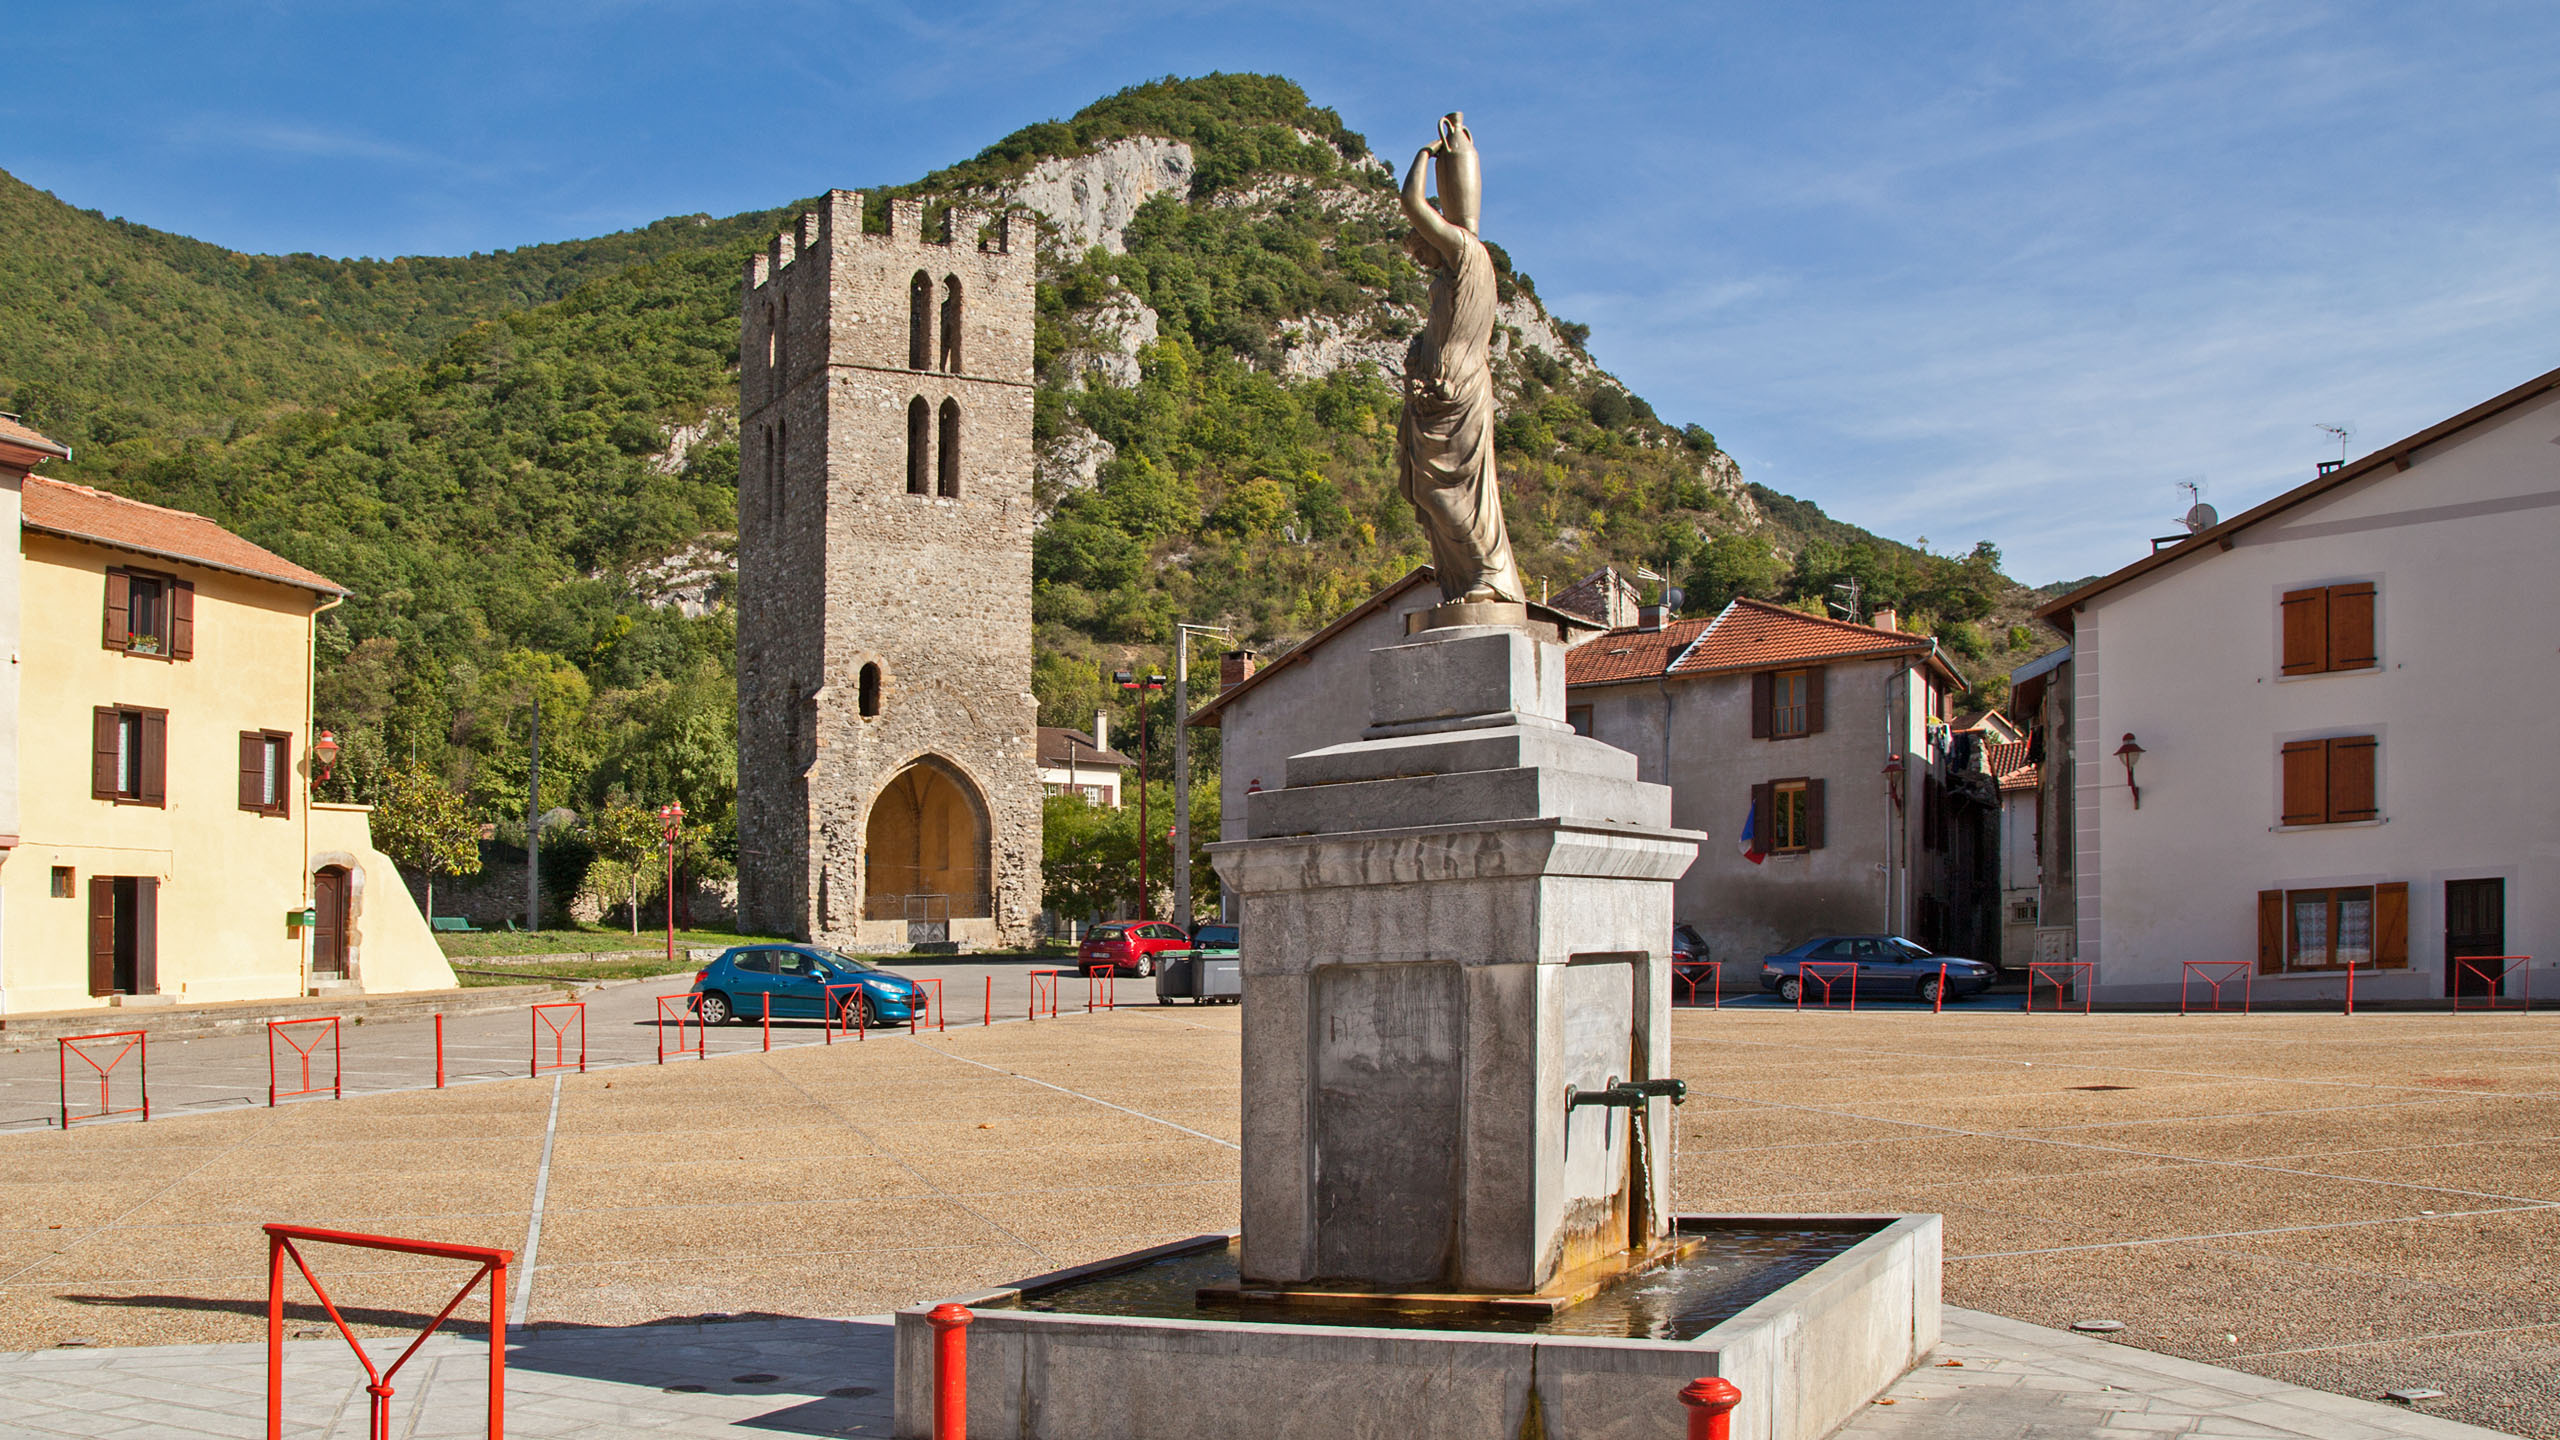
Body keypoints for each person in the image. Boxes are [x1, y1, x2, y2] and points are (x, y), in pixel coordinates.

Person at [1397, 113, 1526, 608]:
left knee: (1444, 492)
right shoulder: (1458, 267)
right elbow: (1466, 218)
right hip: (1441, 391)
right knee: (1440, 494)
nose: (1419, 256)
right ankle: (1474, 575)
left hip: (1455, 393)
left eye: (1420, 248)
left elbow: (1415, 204)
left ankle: (1486, 573)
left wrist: (1427, 154)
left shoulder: (1467, 255)